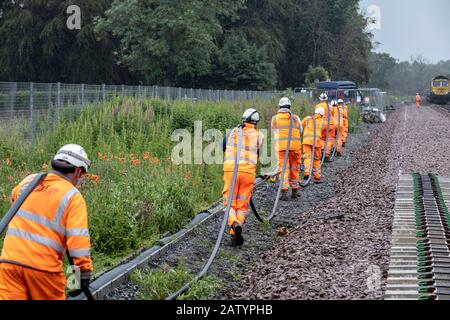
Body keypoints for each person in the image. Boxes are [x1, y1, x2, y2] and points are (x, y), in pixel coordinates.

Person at [0, 144, 93, 300]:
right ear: (78, 171)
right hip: (43, 271)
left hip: (9, 264)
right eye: (82, 174)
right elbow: (76, 242)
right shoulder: (73, 196)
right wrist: (82, 275)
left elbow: (14, 203)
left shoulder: (28, 181)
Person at [223, 109, 264, 247]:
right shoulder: (259, 136)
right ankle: (235, 232)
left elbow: (223, 146)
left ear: (243, 119)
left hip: (231, 170)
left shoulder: (232, 132)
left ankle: (234, 223)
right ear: (256, 122)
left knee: (229, 202)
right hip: (248, 172)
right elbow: (259, 153)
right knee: (242, 205)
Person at [271, 97, 302, 201]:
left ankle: (284, 193)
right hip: (295, 147)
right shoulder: (296, 118)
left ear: (280, 106)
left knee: (283, 169)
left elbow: (273, 132)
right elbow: (301, 130)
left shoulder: (274, 118)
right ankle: (295, 191)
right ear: (289, 106)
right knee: (294, 168)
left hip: (281, 148)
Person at [301, 107, 325, 184]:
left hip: (307, 141)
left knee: (307, 157)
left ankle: (307, 173)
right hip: (317, 143)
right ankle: (317, 176)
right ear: (322, 114)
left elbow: (300, 126)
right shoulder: (322, 121)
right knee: (317, 159)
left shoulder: (308, 118)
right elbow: (324, 133)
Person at [314, 93, 335, 161]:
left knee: (321, 139)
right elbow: (333, 114)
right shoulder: (330, 106)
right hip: (330, 125)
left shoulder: (317, 106)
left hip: (321, 125)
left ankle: (320, 152)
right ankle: (326, 155)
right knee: (328, 140)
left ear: (320, 99)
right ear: (326, 99)